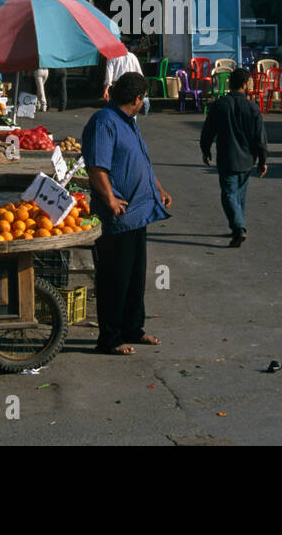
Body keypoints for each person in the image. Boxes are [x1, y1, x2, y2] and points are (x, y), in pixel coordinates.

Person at [82, 73, 172, 355]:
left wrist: (158, 189)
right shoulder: (104, 122)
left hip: (138, 213)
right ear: (137, 98)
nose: (143, 102)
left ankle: (133, 328)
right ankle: (109, 338)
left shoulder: (129, 123)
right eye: (143, 97)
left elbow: (141, 161)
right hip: (118, 213)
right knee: (114, 278)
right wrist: (109, 199)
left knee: (135, 275)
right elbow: (97, 167)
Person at [199, 68, 268, 248]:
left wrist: (205, 150)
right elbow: (260, 138)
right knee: (239, 194)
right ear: (245, 85)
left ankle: (238, 227)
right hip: (247, 159)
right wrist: (263, 160)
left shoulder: (219, 105)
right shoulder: (252, 107)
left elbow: (208, 131)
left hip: (227, 157)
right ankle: (239, 225)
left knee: (229, 193)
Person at [103, 46, 148, 115]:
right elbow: (139, 74)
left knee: (118, 109)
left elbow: (109, 74)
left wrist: (106, 89)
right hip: (133, 86)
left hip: (118, 86)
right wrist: (144, 88)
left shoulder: (111, 57)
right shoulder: (132, 56)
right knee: (132, 109)